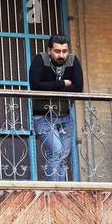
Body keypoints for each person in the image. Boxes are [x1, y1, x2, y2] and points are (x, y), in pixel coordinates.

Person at [26, 34, 83, 181]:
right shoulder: (40, 60)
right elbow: (36, 86)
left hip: (65, 116)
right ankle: (54, 190)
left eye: (64, 51)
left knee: (63, 154)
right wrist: (63, 84)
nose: (61, 55)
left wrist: (51, 89)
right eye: (57, 51)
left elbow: (78, 87)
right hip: (43, 115)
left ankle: (59, 189)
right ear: (49, 50)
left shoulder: (72, 60)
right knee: (56, 151)